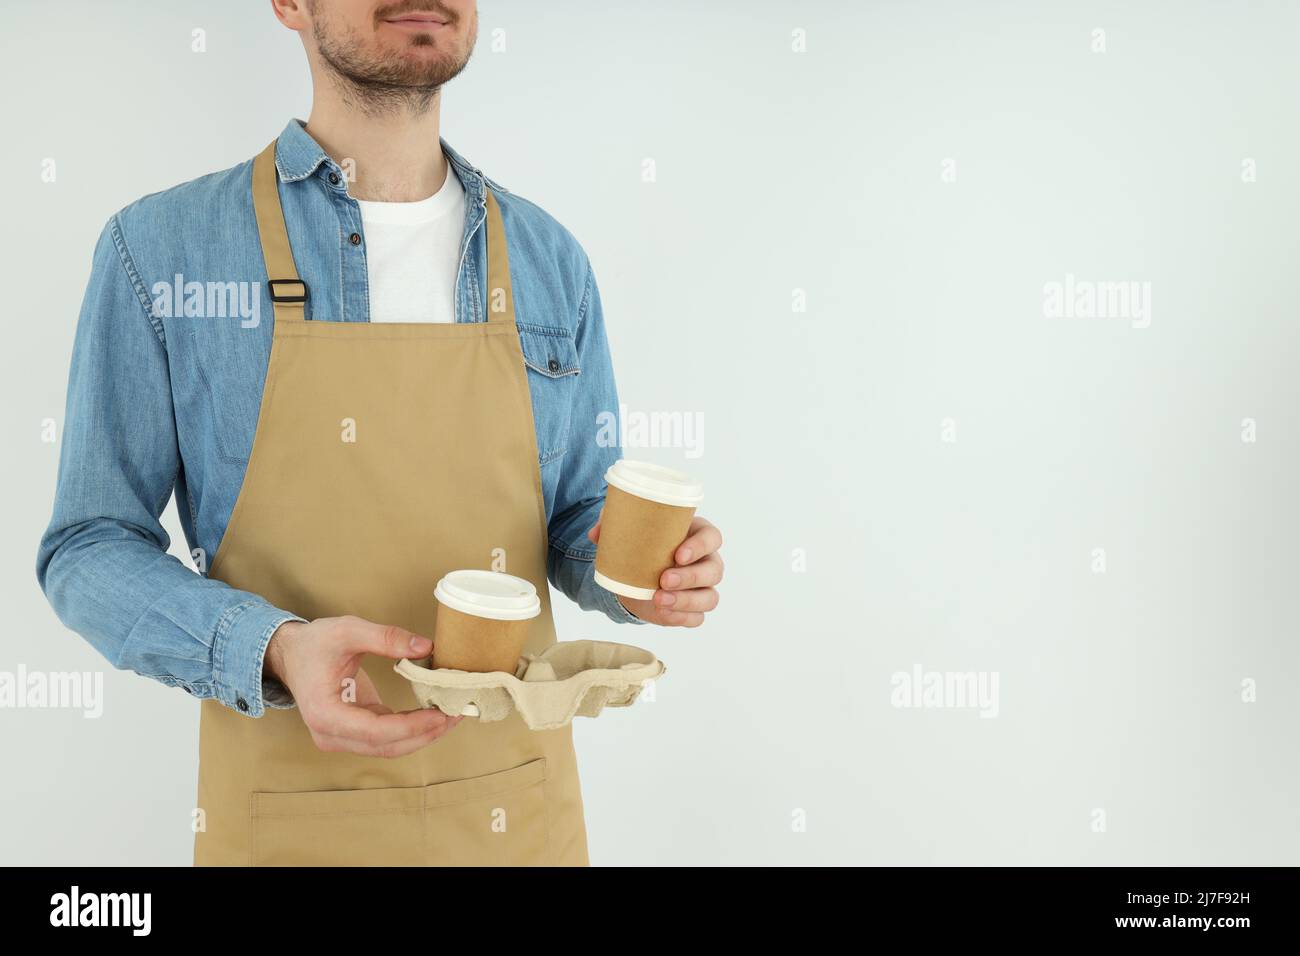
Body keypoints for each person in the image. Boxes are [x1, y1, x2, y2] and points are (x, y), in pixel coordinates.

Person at [35, 0, 724, 866]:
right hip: (283, 822)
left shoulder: (551, 260)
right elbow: (88, 545)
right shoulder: (164, 251)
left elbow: (574, 518)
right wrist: (274, 648)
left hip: (516, 817)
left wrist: (644, 578)